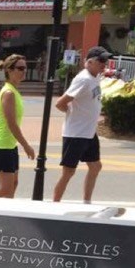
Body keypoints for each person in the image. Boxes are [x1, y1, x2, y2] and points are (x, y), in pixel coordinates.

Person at [52, 46, 110, 204]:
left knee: (95, 166)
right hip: (76, 133)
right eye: (100, 61)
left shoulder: (95, 77)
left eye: (105, 61)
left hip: (89, 132)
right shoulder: (83, 79)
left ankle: (87, 201)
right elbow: (61, 103)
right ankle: (54, 204)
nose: (103, 64)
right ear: (89, 62)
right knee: (69, 171)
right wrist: (73, 114)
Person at [0, 54, 35, 198]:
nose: (24, 71)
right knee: (5, 189)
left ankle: (4, 218)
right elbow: (11, 124)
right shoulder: (8, 93)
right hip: (0, 145)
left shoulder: (14, 91)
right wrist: (26, 145)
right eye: (20, 68)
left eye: (25, 68)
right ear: (9, 70)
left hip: (10, 146)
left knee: (13, 185)